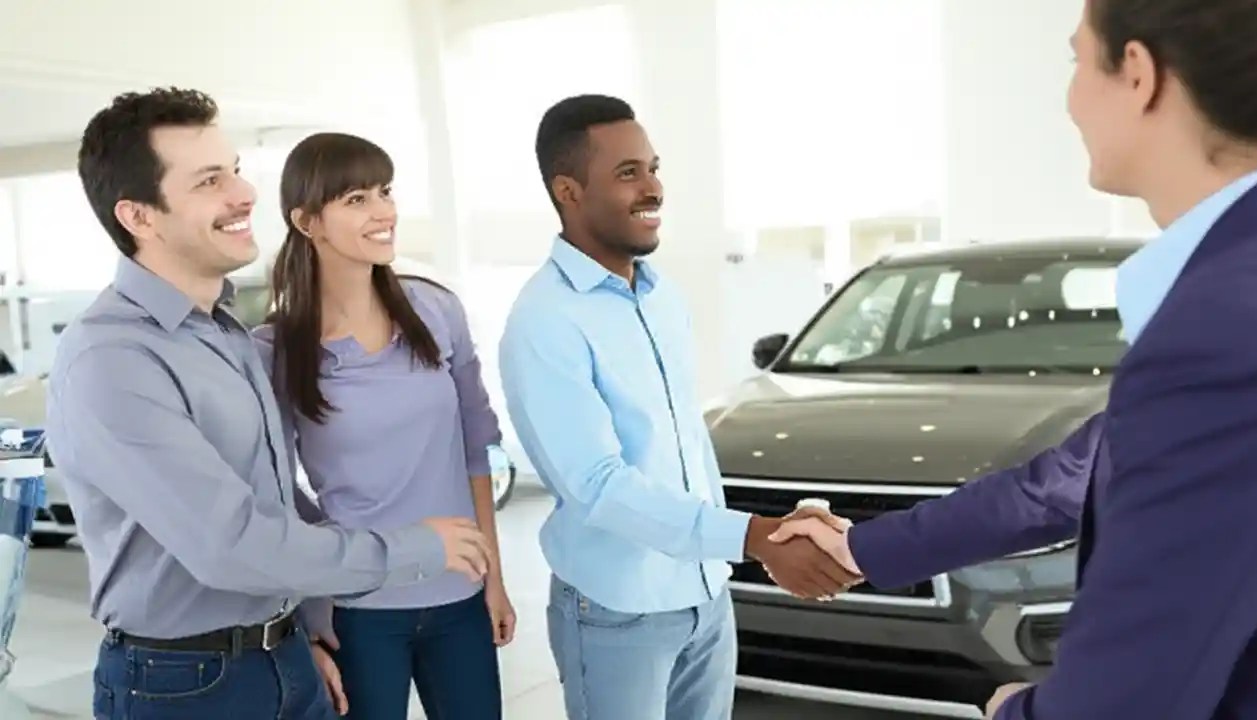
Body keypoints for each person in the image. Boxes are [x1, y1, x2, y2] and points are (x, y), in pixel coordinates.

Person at [776, 1, 1257, 717]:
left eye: (1076, 60)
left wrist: (1011, 708)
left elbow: (1116, 705)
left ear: (1138, 75)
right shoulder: (1247, 288)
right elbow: (1071, 477)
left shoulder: (1222, 329)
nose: (1070, 99)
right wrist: (860, 546)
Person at [44, 88, 495, 720]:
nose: (244, 193)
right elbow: (231, 541)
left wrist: (305, 626)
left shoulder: (223, 333)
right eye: (209, 180)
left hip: (283, 657)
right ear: (139, 216)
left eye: (233, 169)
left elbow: (278, 498)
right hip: (184, 684)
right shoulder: (113, 359)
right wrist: (412, 547)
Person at [497, 94, 858, 720]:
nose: (654, 187)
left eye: (654, 167)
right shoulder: (544, 322)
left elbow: (682, 446)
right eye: (628, 173)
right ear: (569, 190)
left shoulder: (661, 296)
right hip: (618, 611)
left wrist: (761, 531)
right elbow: (599, 486)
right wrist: (754, 536)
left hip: (705, 596)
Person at [253, 131, 514, 720]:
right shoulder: (274, 350)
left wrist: (492, 577)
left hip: (459, 597)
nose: (384, 212)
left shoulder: (436, 311)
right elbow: (272, 490)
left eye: (385, 192)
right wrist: (314, 604)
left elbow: (476, 451)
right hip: (358, 611)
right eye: (356, 200)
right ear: (306, 221)